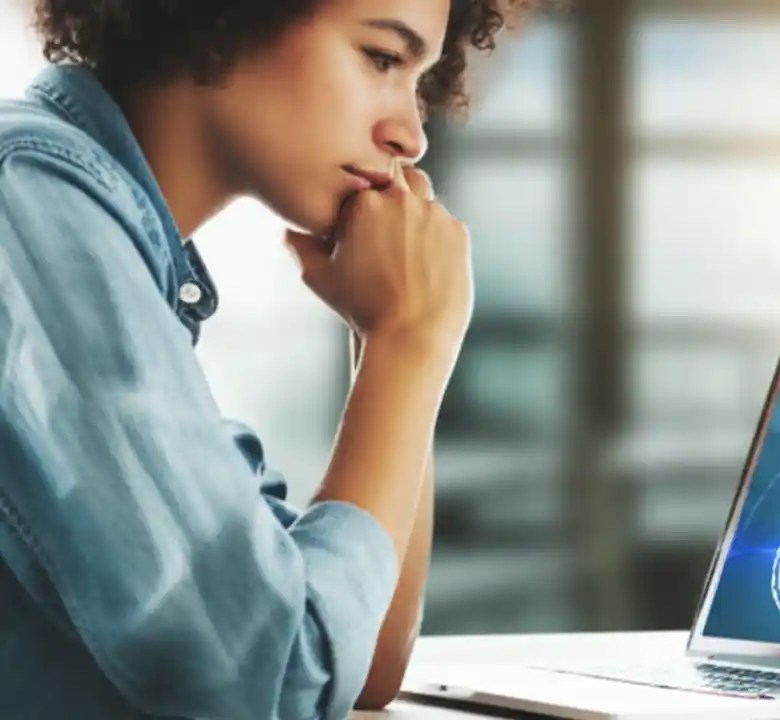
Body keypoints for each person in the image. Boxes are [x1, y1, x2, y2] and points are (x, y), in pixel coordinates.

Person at [0, 1, 527, 717]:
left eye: (420, 82)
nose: (410, 136)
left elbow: (361, 661)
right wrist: (409, 345)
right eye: (381, 59)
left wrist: (389, 334)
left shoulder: (116, 259)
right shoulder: (28, 197)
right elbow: (272, 683)